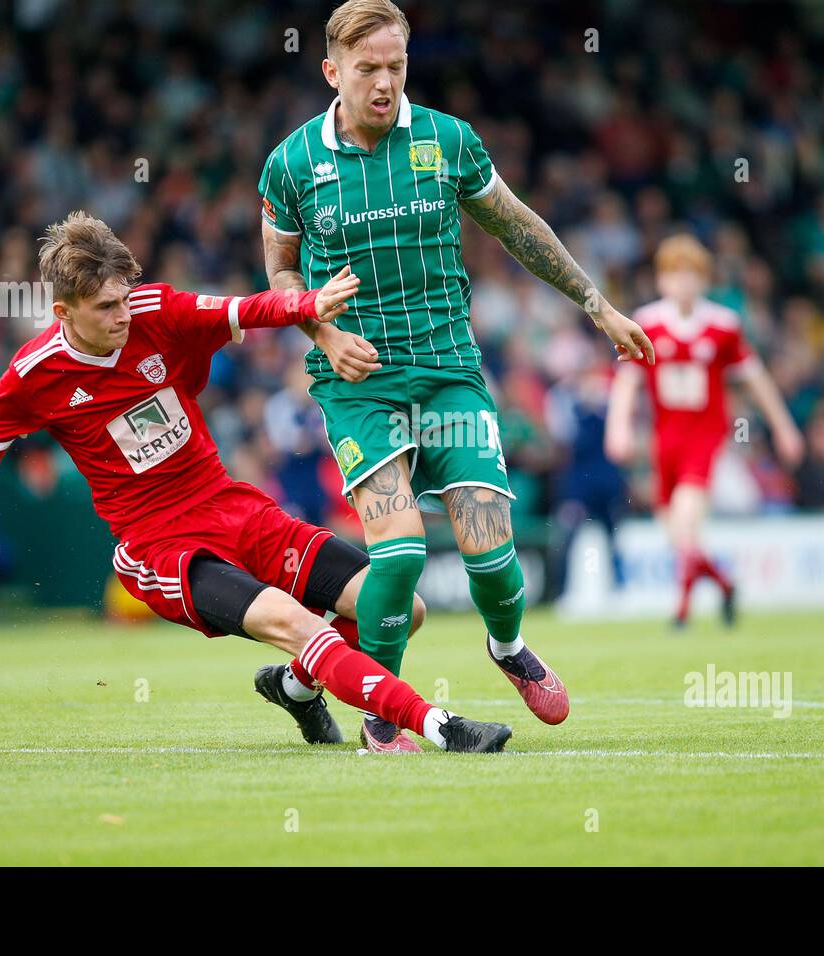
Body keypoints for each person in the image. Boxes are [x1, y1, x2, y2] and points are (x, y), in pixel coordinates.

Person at [0, 211, 512, 754]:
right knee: (302, 624)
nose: (122, 315)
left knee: (406, 607)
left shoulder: (152, 311)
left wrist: (307, 305)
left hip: (229, 504)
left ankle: (295, 687)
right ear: (64, 313)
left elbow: (242, 309)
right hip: (159, 545)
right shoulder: (32, 375)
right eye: (105, 308)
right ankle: (436, 725)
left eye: (123, 297)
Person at [258, 0, 655, 751]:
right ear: (331, 71)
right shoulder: (291, 163)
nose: (384, 82)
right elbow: (278, 268)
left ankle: (507, 648)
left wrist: (597, 305)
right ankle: (383, 714)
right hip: (358, 382)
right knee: (401, 549)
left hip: (447, 373)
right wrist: (320, 326)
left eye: (396, 66)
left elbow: (516, 223)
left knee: (491, 551)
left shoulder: (446, 141)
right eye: (368, 68)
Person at [605, 235, 803, 628]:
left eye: (692, 275)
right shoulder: (647, 323)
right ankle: (725, 585)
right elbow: (627, 381)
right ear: (662, 280)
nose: (683, 284)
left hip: (706, 437)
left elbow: (756, 380)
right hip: (665, 439)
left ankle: (681, 609)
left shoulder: (723, 326)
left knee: (684, 519)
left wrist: (785, 428)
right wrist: (619, 428)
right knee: (676, 533)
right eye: (675, 275)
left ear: (704, 280)